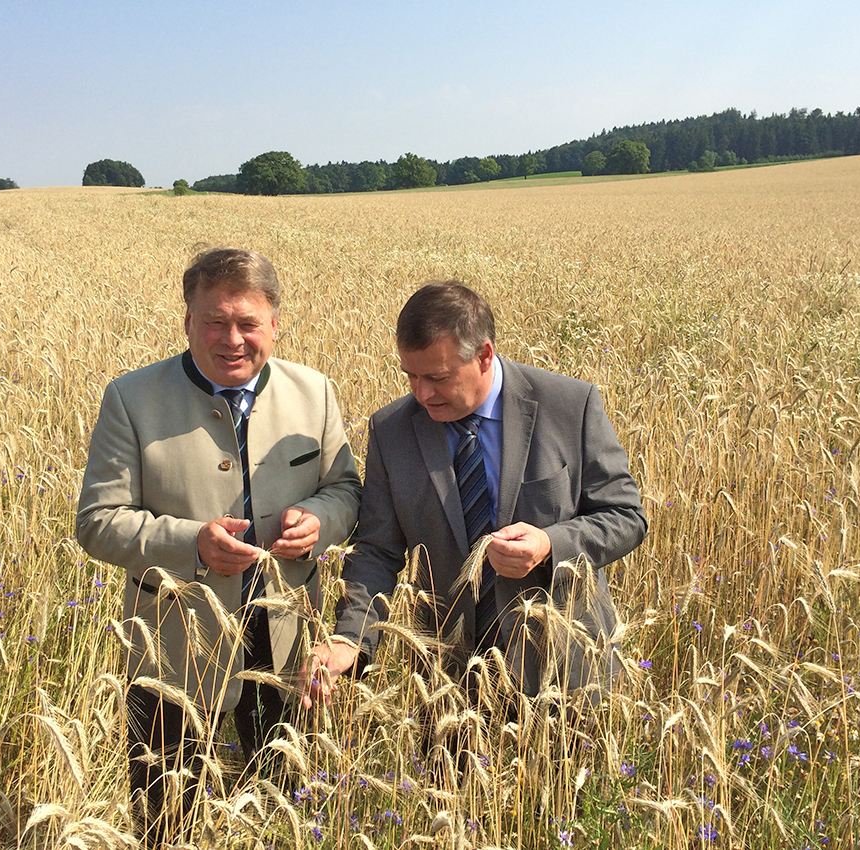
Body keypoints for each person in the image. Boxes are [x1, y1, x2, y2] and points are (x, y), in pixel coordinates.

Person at [76, 248, 361, 844]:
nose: (232, 338)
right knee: (165, 817)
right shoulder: (131, 399)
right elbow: (98, 521)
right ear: (187, 322)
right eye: (214, 320)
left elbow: (346, 490)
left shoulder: (316, 392)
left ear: (275, 324)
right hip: (173, 644)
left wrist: (319, 520)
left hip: (284, 640)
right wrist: (192, 545)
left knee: (283, 806)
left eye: (248, 323)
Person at [303, 280, 646, 710]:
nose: (421, 393)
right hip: (450, 681)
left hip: (565, 670)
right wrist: (349, 637)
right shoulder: (392, 431)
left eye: (438, 377)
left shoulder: (569, 405)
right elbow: (377, 550)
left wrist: (549, 544)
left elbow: (626, 516)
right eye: (410, 375)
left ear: (484, 355)